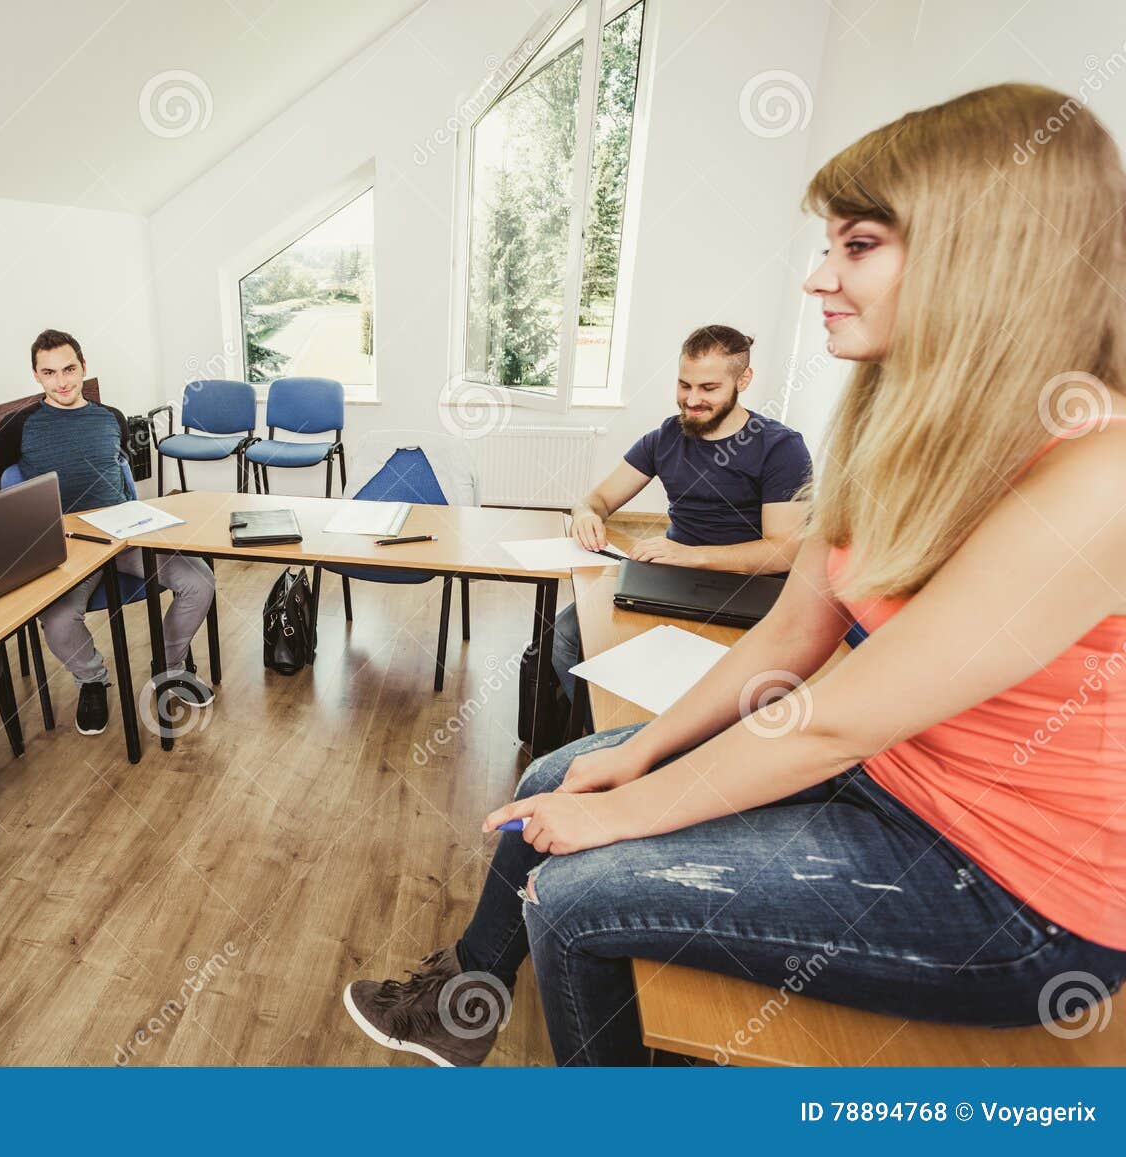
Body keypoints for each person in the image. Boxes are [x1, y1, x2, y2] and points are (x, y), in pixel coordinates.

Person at [345, 82, 1126, 1066]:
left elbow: (838, 715)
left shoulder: (1099, 471)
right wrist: (630, 757)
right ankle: (463, 1011)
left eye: (858, 244)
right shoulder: (897, 420)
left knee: (568, 888)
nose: (817, 278)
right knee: (557, 772)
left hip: (1010, 891)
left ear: (985, 251)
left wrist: (620, 808)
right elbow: (792, 634)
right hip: (887, 783)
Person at [550, 325, 812, 700]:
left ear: (744, 379)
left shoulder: (780, 448)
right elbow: (597, 500)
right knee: (566, 638)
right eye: (684, 385)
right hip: (673, 575)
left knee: (700, 678)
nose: (691, 400)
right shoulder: (665, 438)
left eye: (708, 388)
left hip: (748, 586)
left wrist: (690, 556)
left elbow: (784, 550)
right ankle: (603, 735)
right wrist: (586, 515)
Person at [0, 329, 215, 735]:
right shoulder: (17, 426)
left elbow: (123, 481)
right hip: (66, 545)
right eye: (49, 373)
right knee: (60, 622)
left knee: (200, 581)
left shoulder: (110, 417)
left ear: (84, 367)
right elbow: (3, 496)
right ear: (36, 375)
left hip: (122, 535)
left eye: (69, 369)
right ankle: (92, 680)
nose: (61, 382)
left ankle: (168, 667)